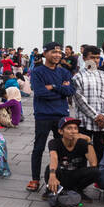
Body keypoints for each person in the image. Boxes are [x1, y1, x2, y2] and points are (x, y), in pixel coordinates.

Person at [26, 42, 73, 192]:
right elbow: (40, 93)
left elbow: (70, 91)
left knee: (62, 148)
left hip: (61, 115)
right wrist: (61, 90)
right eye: (54, 52)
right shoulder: (38, 72)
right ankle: (34, 179)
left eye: (59, 52)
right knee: (38, 147)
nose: (57, 55)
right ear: (45, 53)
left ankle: (61, 176)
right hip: (43, 115)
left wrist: (53, 86)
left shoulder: (64, 72)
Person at [70, 44, 104, 146]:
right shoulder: (78, 77)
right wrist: (96, 117)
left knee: (100, 154)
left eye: (97, 57)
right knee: (83, 153)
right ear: (85, 58)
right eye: (92, 57)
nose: (95, 60)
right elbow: (80, 101)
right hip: (85, 122)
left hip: (103, 123)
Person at [46, 117, 101, 197]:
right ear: (61, 131)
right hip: (61, 175)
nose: (73, 131)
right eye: (69, 128)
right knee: (50, 168)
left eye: (75, 128)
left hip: (75, 176)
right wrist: (52, 175)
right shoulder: (54, 142)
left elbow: (93, 164)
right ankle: (52, 189)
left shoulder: (82, 143)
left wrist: (89, 141)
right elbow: (53, 158)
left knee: (96, 171)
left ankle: (77, 190)